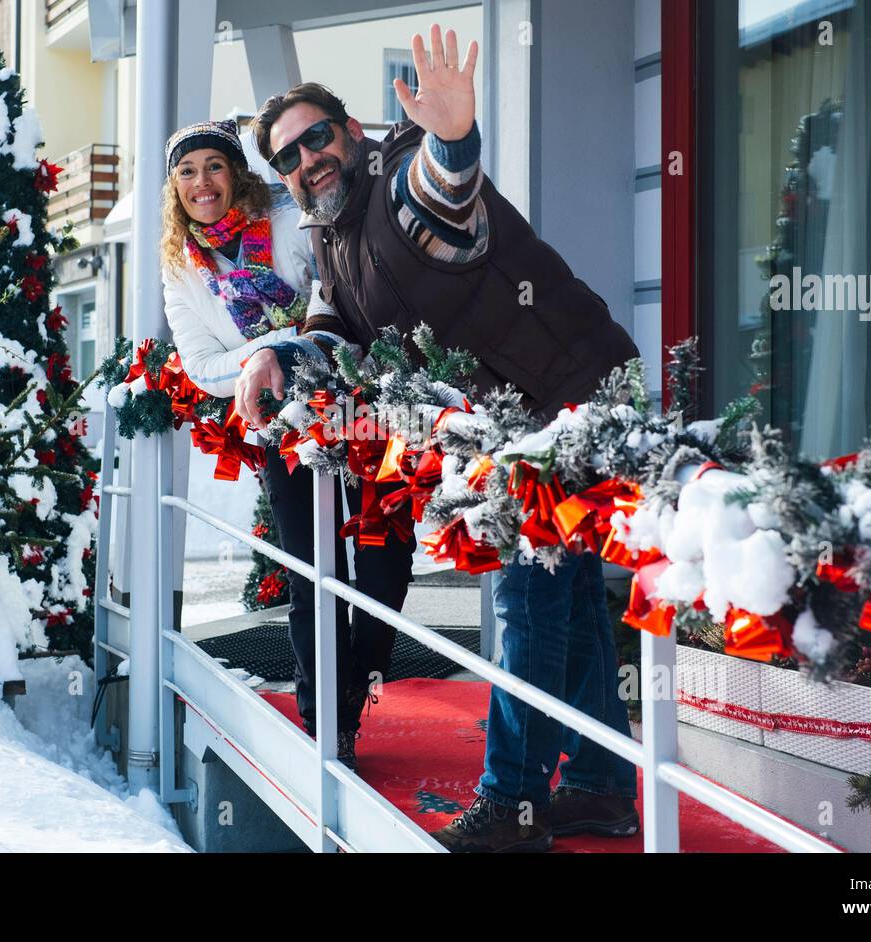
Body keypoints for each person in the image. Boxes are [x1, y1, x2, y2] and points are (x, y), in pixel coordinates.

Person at [238, 25, 641, 851]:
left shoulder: (396, 180)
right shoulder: (329, 232)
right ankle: (601, 784)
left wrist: (454, 136)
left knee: (527, 595)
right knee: (564, 597)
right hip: (508, 420)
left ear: (352, 133)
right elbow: (334, 329)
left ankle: (513, 805)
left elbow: (444, 194)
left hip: (565, 396)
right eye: (288, 156)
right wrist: (275, 352)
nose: (307, 159)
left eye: (318, 137)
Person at [160, 119, 413, 769]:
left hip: (365, 402)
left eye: (213, 166)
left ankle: (358, 673)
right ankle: (328, 720)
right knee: (310, 572)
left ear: (236, 171)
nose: (201, 183)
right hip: (285, 424)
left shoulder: (285, 218)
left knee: (387, 557)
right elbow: (199, 365)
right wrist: (268, 360)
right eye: (187, 172)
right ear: (174, 187)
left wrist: (288, 347)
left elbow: (337, 295)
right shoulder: (180, 266)